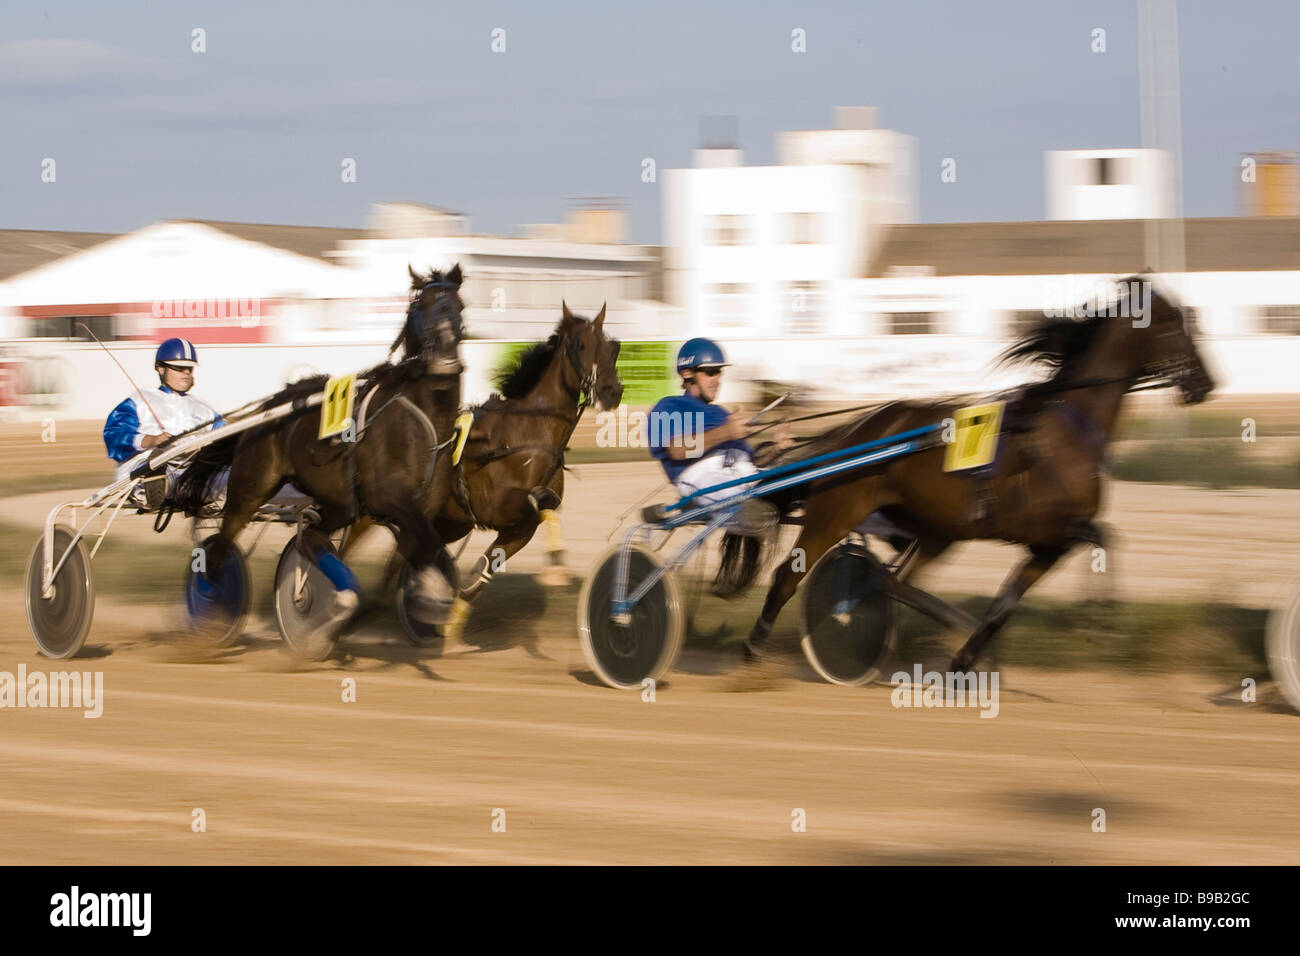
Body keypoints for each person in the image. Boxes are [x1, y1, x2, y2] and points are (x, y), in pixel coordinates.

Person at [648, 338, 793, 529]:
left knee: (801, 479)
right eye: (710, 371)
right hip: (702, 477)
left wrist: (777, 449)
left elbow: (753, 464)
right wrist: (726, 432)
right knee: (751, 506)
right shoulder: (668, 406)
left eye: (719, 372)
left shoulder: (723, 413)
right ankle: (753, 513)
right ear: (687, 372)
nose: (717, 379)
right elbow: (676, 450)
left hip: (743, 475)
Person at [104, 338, 224, 506]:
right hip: (146, 468)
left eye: (189, 368)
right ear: (160, 368)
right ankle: (156, 487)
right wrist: (151, 440)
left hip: (192, 472)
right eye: (179, 368)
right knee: (156, 469)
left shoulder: (204, 407)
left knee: (234, 474)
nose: (186, 373)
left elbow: (225, 438)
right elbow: (114, 435)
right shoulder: (140, 400)